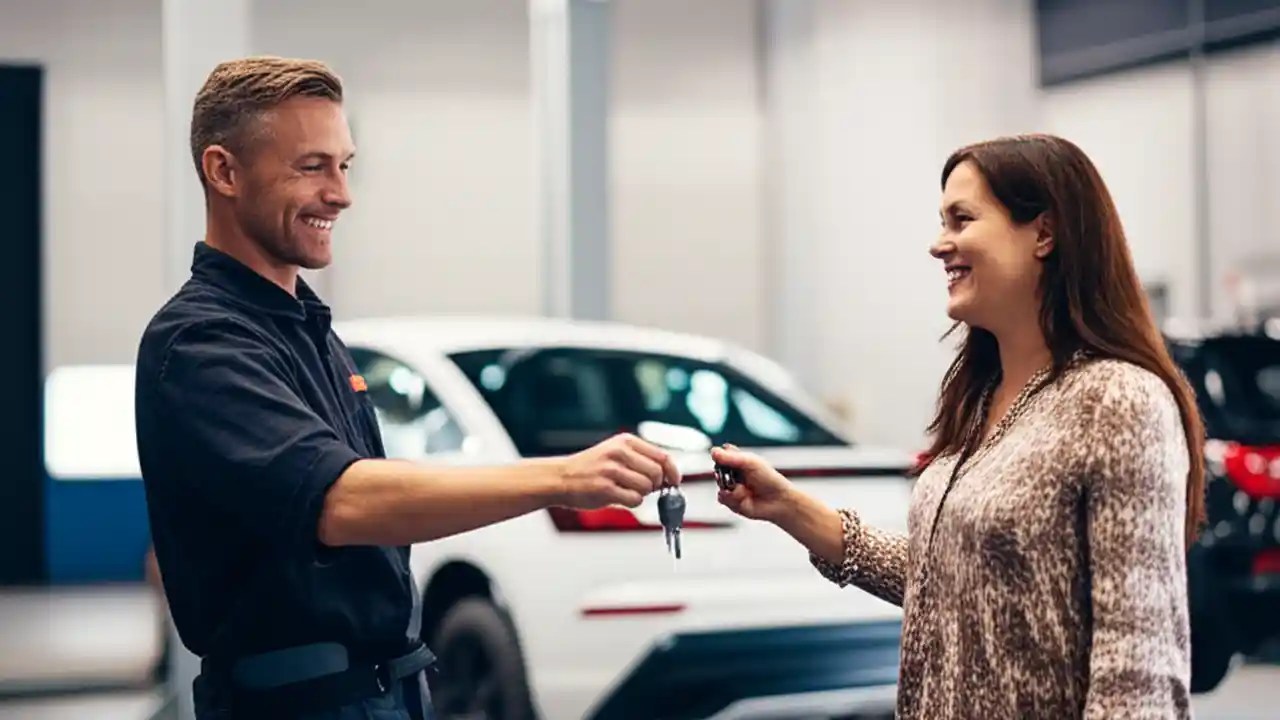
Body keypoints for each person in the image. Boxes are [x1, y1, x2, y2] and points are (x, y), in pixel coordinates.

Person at [134, 56, 681, 720]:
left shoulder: (313, 333)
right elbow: (341, 502)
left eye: (345, 165)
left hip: (385, 692)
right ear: (223, 171)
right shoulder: (200, 344)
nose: (341, 193)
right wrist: (562, 478)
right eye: (312, 167)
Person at [710, 134, 1205, 719]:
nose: (938, 244)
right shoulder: (981, 400)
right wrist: (789, 507)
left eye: (961, 219)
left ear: (1043, 234)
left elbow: (1139, 667)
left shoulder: (1118, 401)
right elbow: (949, 582)